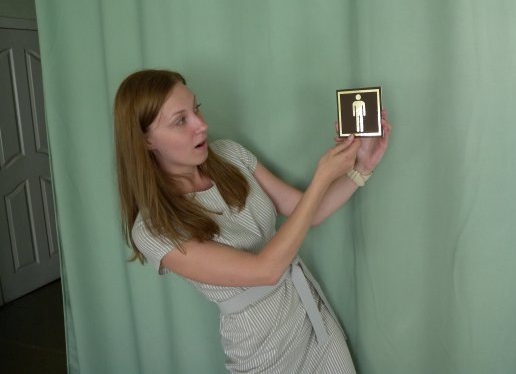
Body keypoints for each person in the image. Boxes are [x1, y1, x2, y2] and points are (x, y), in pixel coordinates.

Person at [114, 69, 391, 373]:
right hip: (263, 348)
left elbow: (308, 212)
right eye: (180, 121)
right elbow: (265, 270)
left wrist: (361, 168)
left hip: (313, 320)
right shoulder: (154, 230)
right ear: (146, 140)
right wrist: (322, 177)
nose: (202, 125)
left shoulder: (230, 155)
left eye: (196, 109)